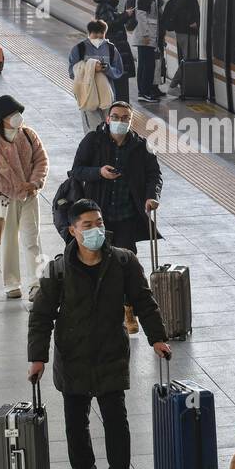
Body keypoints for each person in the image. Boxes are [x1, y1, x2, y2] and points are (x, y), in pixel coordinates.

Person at [27, 199, 171, 469]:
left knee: (116, 421)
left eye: (99, 223)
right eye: (87, 225)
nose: (96, 230)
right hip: (73, 357)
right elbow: (41, 316)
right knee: (76, 423)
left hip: (110, 354)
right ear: (72, 230)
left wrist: (157, 338)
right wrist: (37, 357)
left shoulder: (123, 262)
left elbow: (143, 301)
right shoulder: (57, 270)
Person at [71, 101, 162, 334]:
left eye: (125, 118)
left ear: (130, 122)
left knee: (126, 264)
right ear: (108, 118)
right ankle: (95, 309)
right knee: (94, 261)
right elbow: (77, 170)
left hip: (127, 216)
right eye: (116, 117)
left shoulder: (141, 146)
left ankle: (128, 309)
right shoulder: (94, 141)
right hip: (98, 216)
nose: (120, 121)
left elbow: (154, 174)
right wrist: (98, 173)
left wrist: (151, 197)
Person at [0, 95, 48, 306]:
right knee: (8, 241)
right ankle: (11, 284)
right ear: (2, 118)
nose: (17, 117)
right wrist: (12, 187)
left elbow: (41, 160)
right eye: (11, 114)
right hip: (4, 199)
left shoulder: (28, 135)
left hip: (29, 196)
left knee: (32, 239)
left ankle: (36, 284)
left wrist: (33, 183)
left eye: (17, 113)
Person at [67, 21, 125, 130]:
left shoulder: (111, 49)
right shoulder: (79, 49)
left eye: (101, 34)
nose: (98, 37)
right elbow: (72, 72)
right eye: (95, 34)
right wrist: (90, 68)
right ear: (89, 33)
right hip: (87, 93)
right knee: (93, 129)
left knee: (108, 128)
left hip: (107, 95)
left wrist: (106, 68)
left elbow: (118, 71)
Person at [163, 0, 211, 91]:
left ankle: (181, 85)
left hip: (185, 31)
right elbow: (179, 8)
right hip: (186, 31)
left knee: (188, 59)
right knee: (189, 60)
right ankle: (174, 85)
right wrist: (191, 21)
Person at [93, 0, 136, 103]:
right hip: (113, 48)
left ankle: (120, 106)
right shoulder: (105, 7)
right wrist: (125, 16)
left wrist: (127, 15)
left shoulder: (109, 6)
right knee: (118, 82)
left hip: (116, 47)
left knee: (120, 80)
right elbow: (108, 25)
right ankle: (118, 108)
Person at [131, 0, 167, 102]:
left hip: (149, 36)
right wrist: (146, 34)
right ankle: (144, 92)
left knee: (145, 65)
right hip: (146, 37)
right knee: (148, 65)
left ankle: (143, 91)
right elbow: (141, 15)